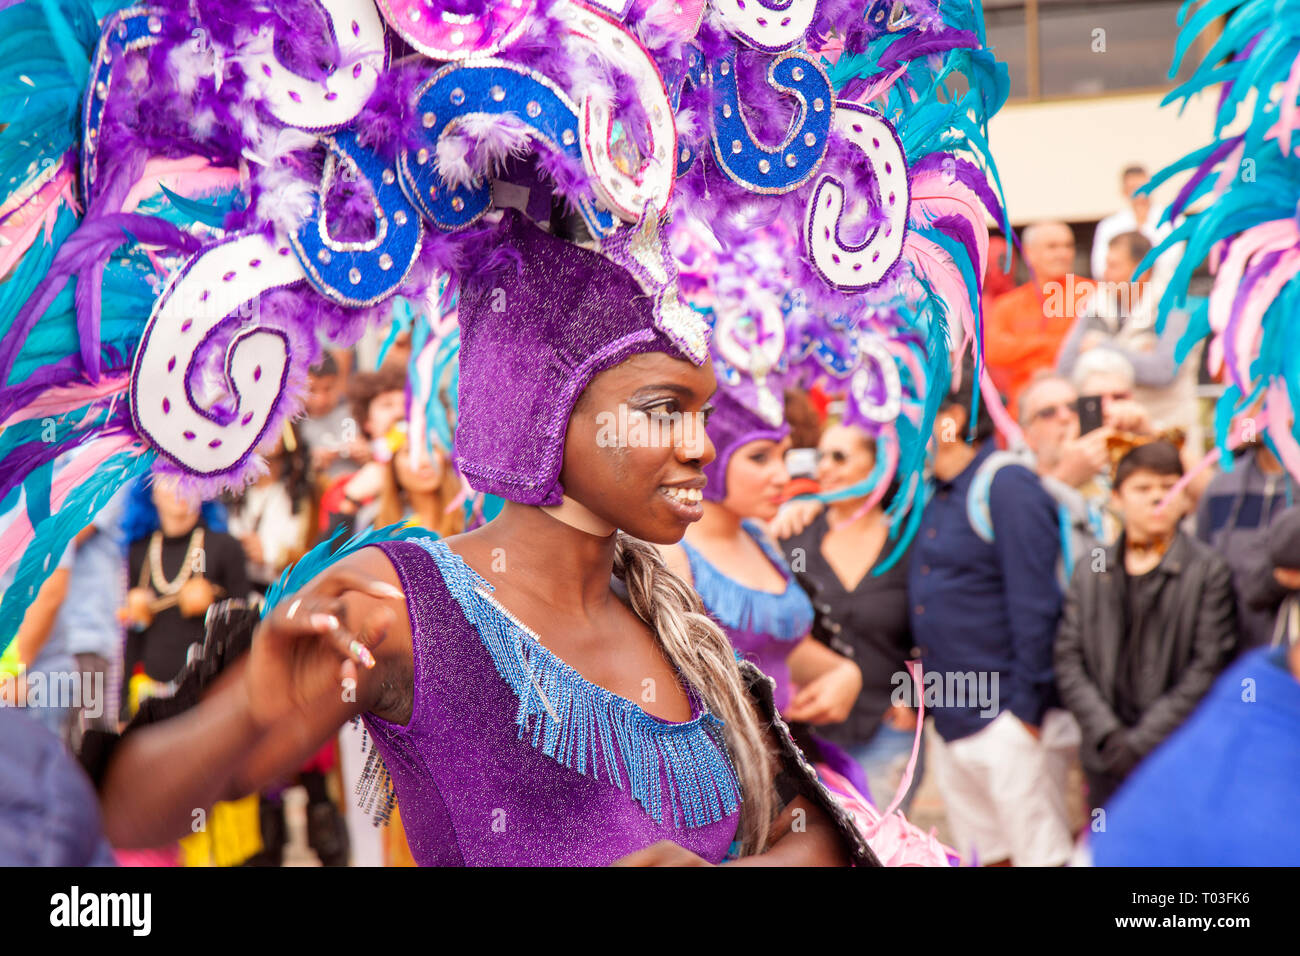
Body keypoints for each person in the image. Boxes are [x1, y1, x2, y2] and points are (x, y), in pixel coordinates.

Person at [93, 213, 876, 867]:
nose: (700, 446)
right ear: (545, 409)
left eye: (703, 413)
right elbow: (130, 819)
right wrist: (245, 713)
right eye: (664, 408)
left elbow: (803, 827)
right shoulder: (401, 605)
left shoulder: (671, 618)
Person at [910, 363, 1073, 866]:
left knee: (1043, 859)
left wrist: (1023, 715)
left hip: (1008, 721)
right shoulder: (929, 497)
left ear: (950, 420)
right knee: (988, 859)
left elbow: (1038, 608)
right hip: (952, 725)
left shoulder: (1007, 485)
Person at [1054, 439, 1236, 811]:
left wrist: (1141, 743)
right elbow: (1068, 657)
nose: (1158, 498)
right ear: (1117, 499)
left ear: (1186, 498)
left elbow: (1208, 665)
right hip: (1104, 757)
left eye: (1169, 487)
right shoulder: (1094, 567)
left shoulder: (1207, 570)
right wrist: (1108, 735)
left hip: (1176, 753)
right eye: (1143, 488)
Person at [781, 422, 923, 811]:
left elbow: (933, 624)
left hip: (885, 731)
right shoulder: (793, 534)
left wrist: (910, 702)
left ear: (879, 465)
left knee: (877, 850)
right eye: (820, 457)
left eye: (840, 457)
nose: (824, 467)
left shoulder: (908, 541)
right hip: (803, 734)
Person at [1058, 231, 1202, 454]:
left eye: (1114, 266)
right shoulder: (1098, 303)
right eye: (1106, 265)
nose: (1105, 274)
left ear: (1142, 272)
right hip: (1115, 436)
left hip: (1168, 432)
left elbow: (1164, 372)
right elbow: (1064, 367)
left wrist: (1101, 348)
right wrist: (1138, 356)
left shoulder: (1175, 308)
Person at [1196, 443, 1296, 651]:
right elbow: (1200, 574)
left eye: (1254, 407)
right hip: (1232, 660)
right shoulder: (1221, 485)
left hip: (1289, 662)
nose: (1240, 415)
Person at [985, 221, 1094, 411]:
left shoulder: (1093, 294)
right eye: (1052, 247)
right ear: (1029, 253)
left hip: (1079, 405)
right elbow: (993, 351)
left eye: (1068, 246)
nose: (1063, 253)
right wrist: (1057, 344)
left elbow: (1095, 347)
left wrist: (1023, 349)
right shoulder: (1008, 304)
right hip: (1022, 413)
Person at [1089, 166, 1174, 283]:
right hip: (1123, 292)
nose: (1141, 194)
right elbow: (1099, 268)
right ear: (1124, 192)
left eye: (1145, 187)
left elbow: (1174, 261)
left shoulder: (1172, 220)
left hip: (1164, 289)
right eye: (1134, 189)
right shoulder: (1109, 225)